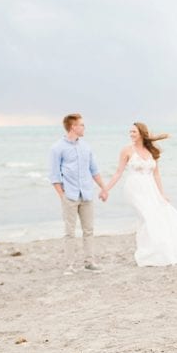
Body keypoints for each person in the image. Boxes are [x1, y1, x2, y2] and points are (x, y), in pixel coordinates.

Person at [102, 122, 177, 266]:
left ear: (141, 133)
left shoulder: (150, 151)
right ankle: (147, 253)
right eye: (130, 132)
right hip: (134, 188)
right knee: (148, 218)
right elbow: (118, 172)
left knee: (159, 216)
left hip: (150, 189)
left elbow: (157, 175)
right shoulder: (126, 150)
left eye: (134, 132)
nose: (131, 134)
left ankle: (154, 252)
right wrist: (106, 189)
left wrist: (162, 194)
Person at [48, 113, 107, 275]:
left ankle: (89, 262)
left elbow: (94, 170)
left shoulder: (86, 147)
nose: (84, 127)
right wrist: (62, 196)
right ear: (73, 127)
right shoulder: (57, 148)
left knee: (89, 230)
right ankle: (69, 265)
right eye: (81, 125)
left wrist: (104, 188)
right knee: (70, 232)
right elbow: (54, 176)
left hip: (87, 194)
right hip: (70, 195)